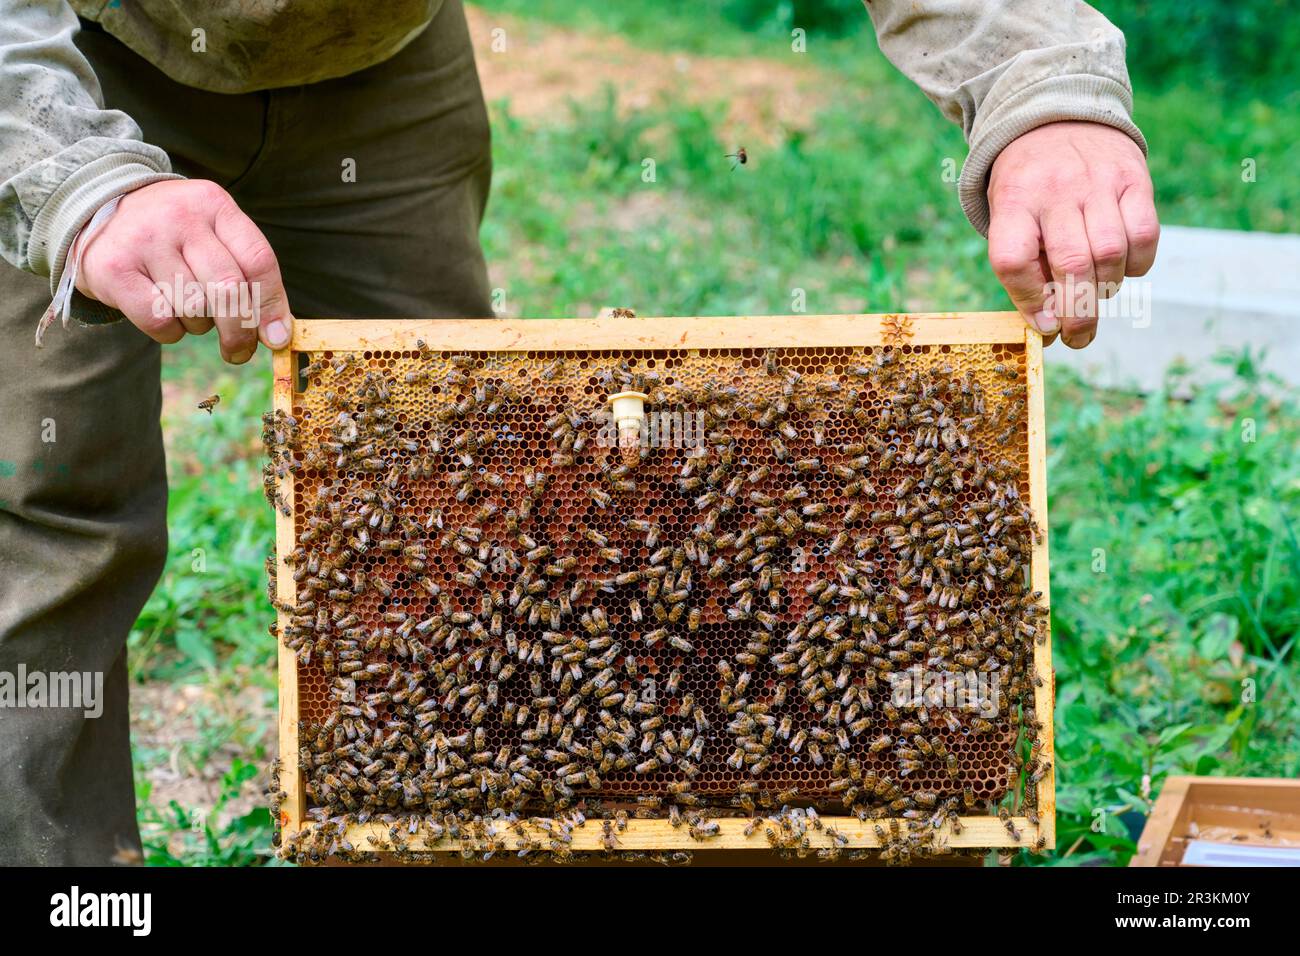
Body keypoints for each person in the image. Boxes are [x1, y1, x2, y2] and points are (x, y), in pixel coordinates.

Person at [0, 0, 1159, 865]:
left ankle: (446, 827)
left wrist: (1037, 76)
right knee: (55, 511)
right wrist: (74, 175)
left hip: (373, 54)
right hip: (59, 46)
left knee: (451, 499)